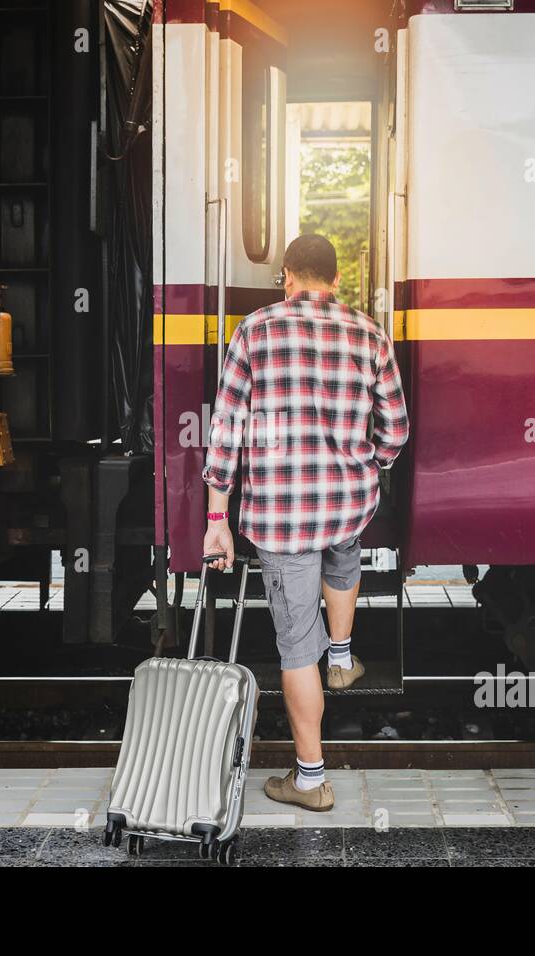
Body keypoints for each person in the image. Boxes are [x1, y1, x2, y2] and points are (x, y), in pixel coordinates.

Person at [201, 233, 409, 811]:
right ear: (337, 281)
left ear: (287, 277)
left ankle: (311, 780)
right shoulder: (369, 332)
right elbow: (395, 430)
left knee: (295, 649)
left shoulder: (255, 330)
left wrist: (217, 515)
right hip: (346, 503)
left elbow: (226, 430)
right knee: (343, 561)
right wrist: (371, 464)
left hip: (282, 512)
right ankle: (341, 660)